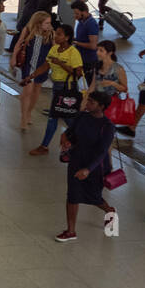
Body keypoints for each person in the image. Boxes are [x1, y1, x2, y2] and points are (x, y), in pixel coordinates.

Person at [55, 90, 119, 242]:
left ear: (102, 106)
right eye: (88, 101)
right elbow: (71, 133)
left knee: (95, 197)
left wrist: (88, 169)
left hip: (96, 167)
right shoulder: (82, 116)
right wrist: (65, 139)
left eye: (91, 102)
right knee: (72, 195)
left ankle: (110, 211)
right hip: (76, 161)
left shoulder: (107, 127)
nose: (87, 104)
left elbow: (102, 152)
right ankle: (71, 231)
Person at [14, 11, 54, 130]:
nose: (48, 25)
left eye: (49, 23)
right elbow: (18, 43)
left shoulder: (50, 34)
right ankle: (23, 117)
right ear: (38, 23)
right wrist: (13, 58)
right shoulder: (27, 30)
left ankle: (29, 112)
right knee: (27, 92)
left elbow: (55, 48)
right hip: (29, 65)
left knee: (36, 90)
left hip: (42, 67)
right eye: (46, 23)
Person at [70, 0, 100, 79]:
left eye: (77, 13)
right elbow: (82, 39)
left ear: (84, 12)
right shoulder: (81, 21)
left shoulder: (91, 24)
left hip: (88, 61)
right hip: (80, 58)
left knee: (91, 84)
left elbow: (93, 46)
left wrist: (76, 42)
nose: (75, 16)